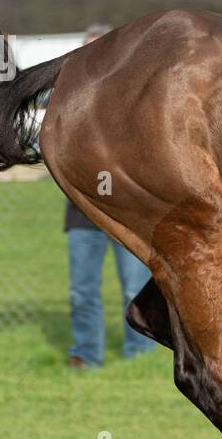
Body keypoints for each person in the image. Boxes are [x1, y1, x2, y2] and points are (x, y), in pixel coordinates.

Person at [63, 25, 157, 368]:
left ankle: (139, 357)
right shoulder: (68, 104)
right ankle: (87, 356)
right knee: (81, 292)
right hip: (82, 212)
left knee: (135, 289)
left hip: (128, 213)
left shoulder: (138, 101)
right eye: (89, 51)